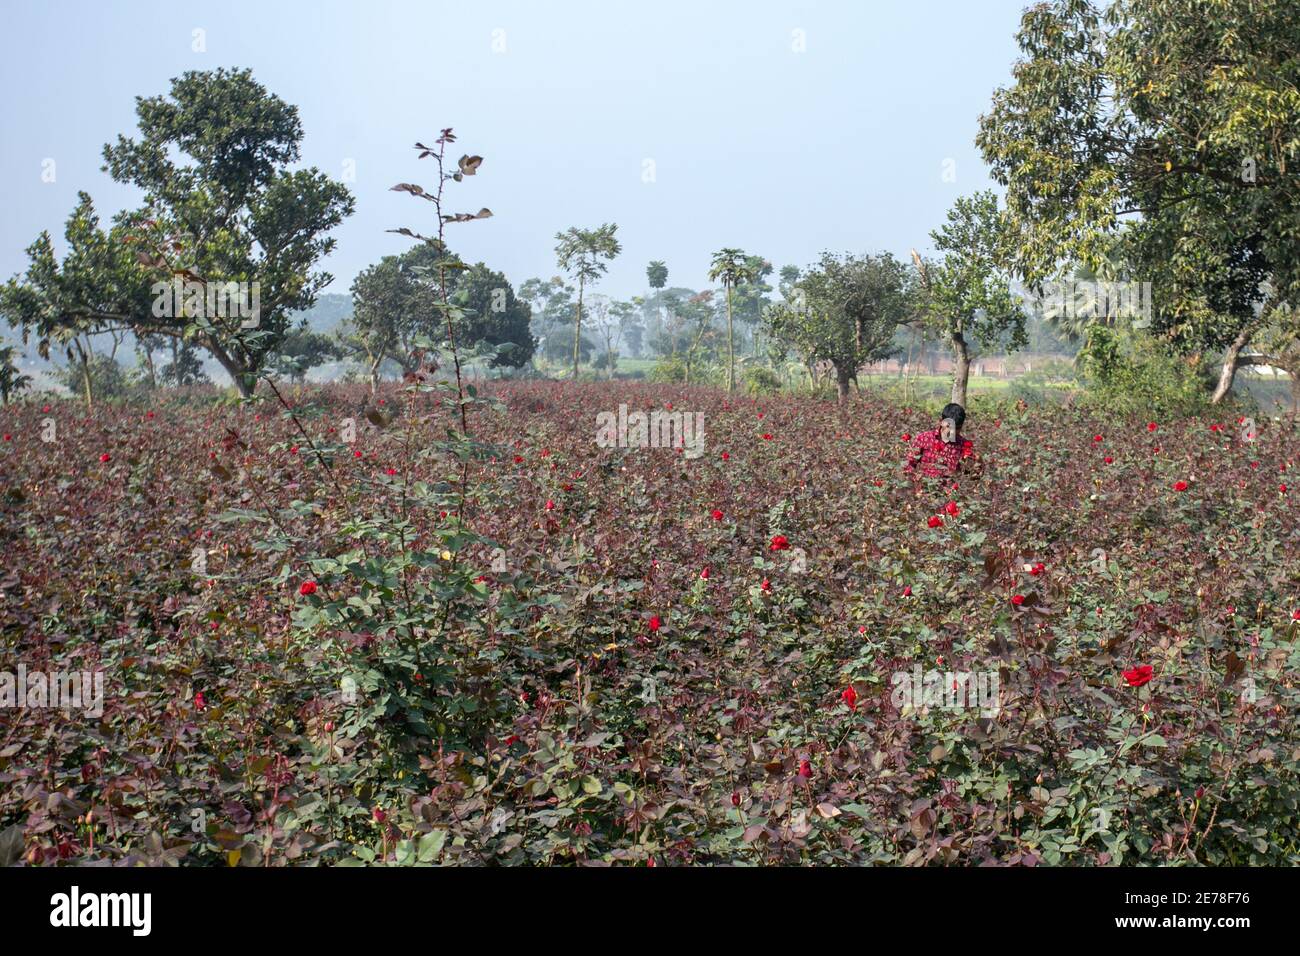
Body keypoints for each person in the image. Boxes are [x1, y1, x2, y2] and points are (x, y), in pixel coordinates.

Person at [905, 402, 978, 480]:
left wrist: (977, 467)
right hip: (925, 488)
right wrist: (915, 481)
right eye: (949, 427)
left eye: (957, 428)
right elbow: (909, 465)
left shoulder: (964, 445)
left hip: (950, 491)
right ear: (941, 422)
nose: (953, 431)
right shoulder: (924, 438)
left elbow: (972, 474)